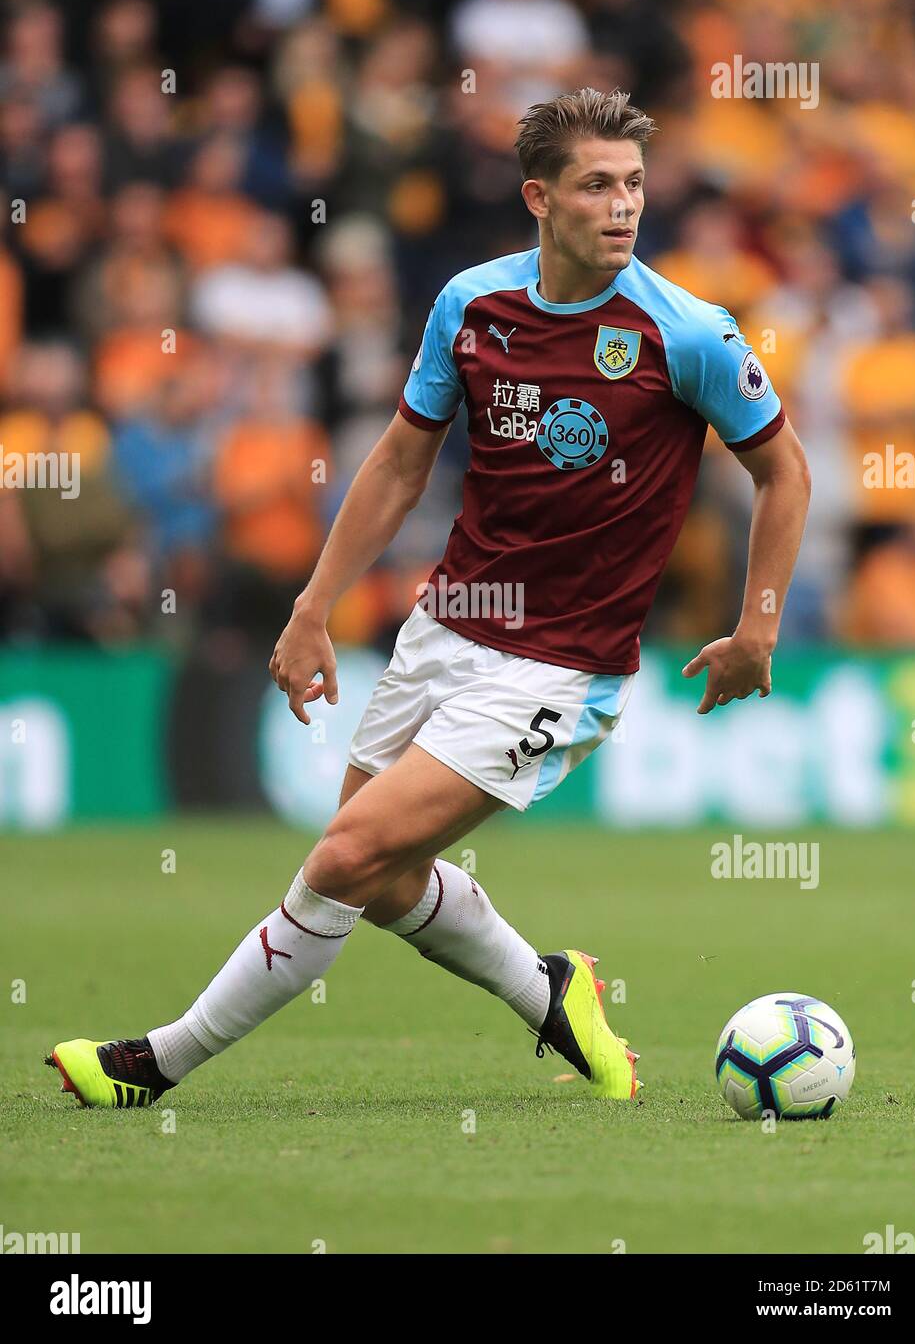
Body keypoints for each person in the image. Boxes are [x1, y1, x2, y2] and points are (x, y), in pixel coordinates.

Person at [46, 88, 811, 1110]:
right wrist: (313, 605)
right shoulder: (470, 305)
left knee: (346, 855)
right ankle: (548, 987)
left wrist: (755, 626)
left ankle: (158, 1061)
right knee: (384, 876)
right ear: (540, 198)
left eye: (631, 184)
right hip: (445, 626)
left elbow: (782, 472)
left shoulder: (687, 334)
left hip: (558, 663)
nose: (622, 205)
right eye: (596, 185)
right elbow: (401, 463)